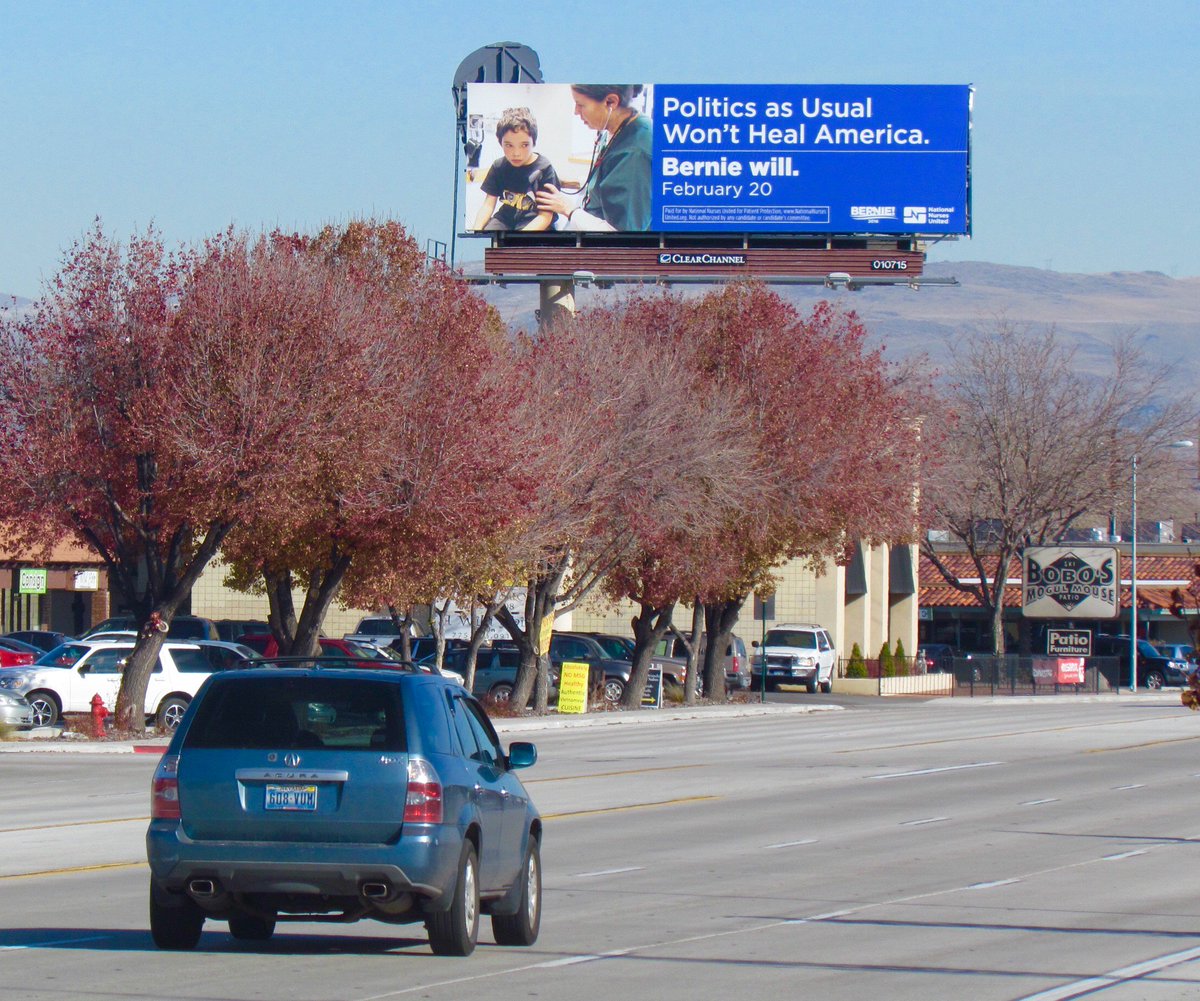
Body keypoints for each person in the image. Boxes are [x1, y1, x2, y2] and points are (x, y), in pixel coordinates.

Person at [535, 84, 652, 232]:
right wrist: (567, 182)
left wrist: (568, 209)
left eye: (580, 104)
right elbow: (609, 175)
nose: (576, 111)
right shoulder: (615, 127)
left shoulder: (635, 154)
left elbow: (622, 237)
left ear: (611, 102)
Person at [472, 107, 559, 232]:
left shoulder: (545, 168)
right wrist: (476, 231)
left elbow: (545, 217)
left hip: (534, 221)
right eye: (509, 145)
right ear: (500, 143)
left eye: (524, 145)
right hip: (505, 219)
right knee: (489, 236)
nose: (516, 153)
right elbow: (488, 205)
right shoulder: (498, 166)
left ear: (533, 143)